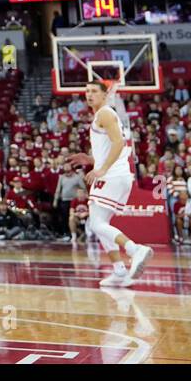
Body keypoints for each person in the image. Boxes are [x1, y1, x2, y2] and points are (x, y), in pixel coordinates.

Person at [72, 79, 153, 287]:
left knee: (97, 224)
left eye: (93, 91)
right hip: (114, 174)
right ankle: (118, 270)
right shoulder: (101, 115)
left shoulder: (105, 113)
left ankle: (135, 250)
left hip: (112, 175)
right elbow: (110, 147)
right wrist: (90, 160)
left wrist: (102, 169)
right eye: (86, 91)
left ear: (104, 94)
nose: (88, 95)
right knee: (99, 224)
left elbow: (119, 143)